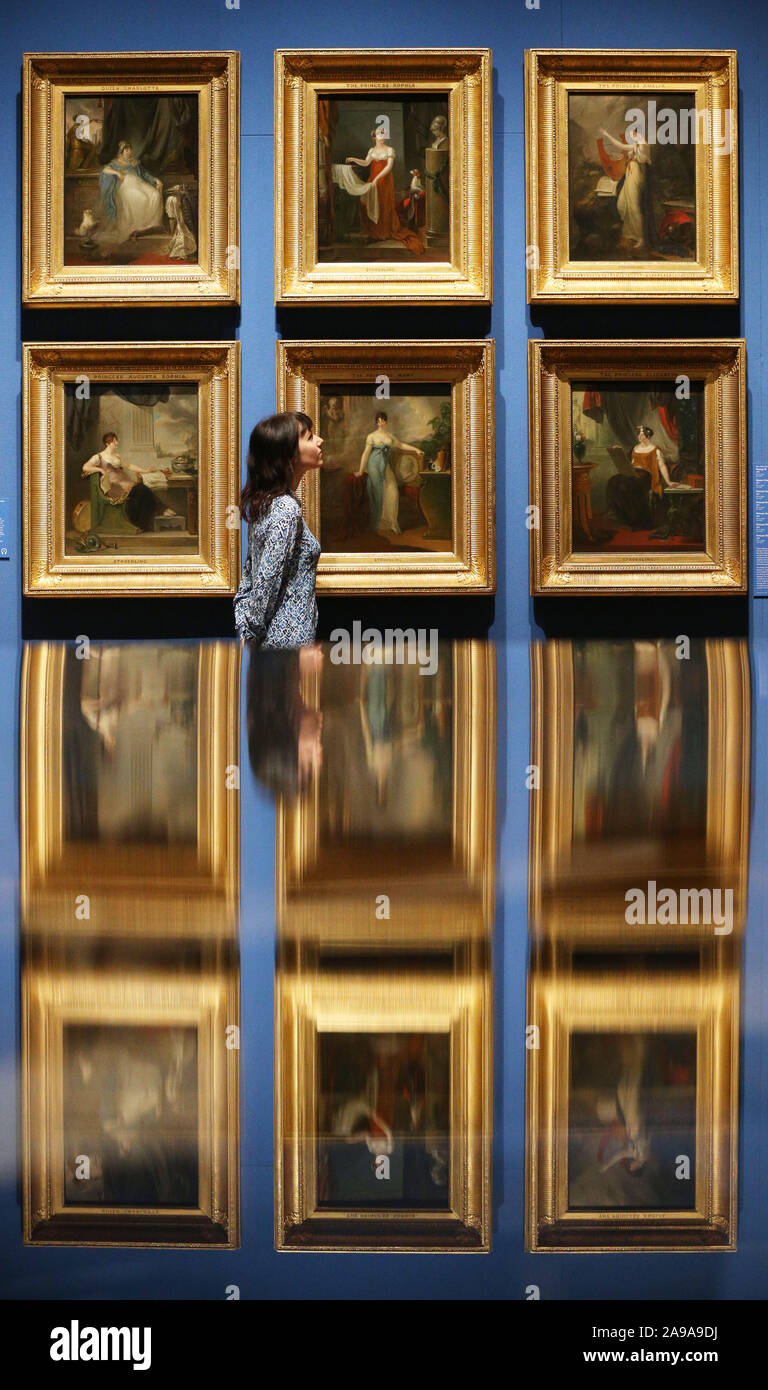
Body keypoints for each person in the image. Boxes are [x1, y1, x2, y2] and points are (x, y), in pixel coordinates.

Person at [234, 411, 323, 647]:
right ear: (290, 455)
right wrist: (250, 634)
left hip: (281, 644)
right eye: (310, 437)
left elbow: (249, 579)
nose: (319, 440)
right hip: (287, 646)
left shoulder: (270, 503)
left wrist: (247, 633)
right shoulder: (285, 509)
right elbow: (264, 583)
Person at [339, 125, 424, 256]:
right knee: (365, 200)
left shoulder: (390, 150)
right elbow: (366, 163)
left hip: (384, 180)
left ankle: (383, 231)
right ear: (374, 137)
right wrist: (353, 159)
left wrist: (377, 178)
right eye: (379, 134)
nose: (382, 137)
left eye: (383, 134)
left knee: (383, 204)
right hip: (373, 179)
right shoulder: (372, 150)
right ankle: (372, 229)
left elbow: (388, 168)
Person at [81, 432, 174, 532]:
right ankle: (162, 509)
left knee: (143, 493)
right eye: (113, 441)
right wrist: (100, 470)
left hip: (126, 484)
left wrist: (145, 471)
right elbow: (85, 467)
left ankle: (143, 524)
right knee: (142, 489)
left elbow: (129, 466)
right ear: (107, 444)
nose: (116, 443)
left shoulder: (117, 456)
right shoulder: (99, 457)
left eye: (116, 440)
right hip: (115, 488)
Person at [354, 411, 424, 536]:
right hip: (374, 465)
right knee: (378, 492)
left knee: (393, 492)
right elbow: (366, 453)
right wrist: (361, 470)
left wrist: (416, 449)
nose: (381, 423)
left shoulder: (390, 436)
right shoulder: (371, 436)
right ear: (376, 422)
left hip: (385, 466)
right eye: (378, 420)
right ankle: (378, 523)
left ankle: (392, 523)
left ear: (386, 422)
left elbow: (401, 445)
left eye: (383, 420)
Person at [90, 140, 164, 250]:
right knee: (142, 198)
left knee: (155, 195)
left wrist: (155, 179)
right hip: (126, 187)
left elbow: (144, 174)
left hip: (139, 184)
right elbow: (104, 170)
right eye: (126, 150)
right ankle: (137, 227)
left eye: (130, 149)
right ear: (121, 152)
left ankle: (149, 225)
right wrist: (117, 173)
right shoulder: (115, 163)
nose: (129, 152)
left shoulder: (135, 162)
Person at [606, 425, 676, 537]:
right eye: (639, 434)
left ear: (648, 436)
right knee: (613, 481)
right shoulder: (635, 448)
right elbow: (630, 464)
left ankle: (634, 520)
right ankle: (622, 516)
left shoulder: (655, 449)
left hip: (647, 477)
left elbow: (662, 466)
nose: (639, 436)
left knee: (627, 486)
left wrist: (668, 482)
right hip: (633, 475)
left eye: (642, 434)